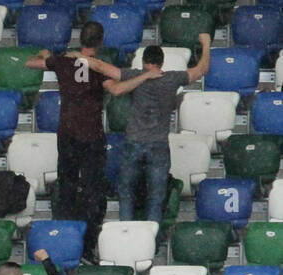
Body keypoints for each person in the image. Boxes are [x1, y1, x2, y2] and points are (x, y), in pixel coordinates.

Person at [25, 23, 116, 260]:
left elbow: (31, 63)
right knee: (92, 190)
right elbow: (114, 84)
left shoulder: (63, 61)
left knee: (66, 187)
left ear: (80, 38)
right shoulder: (100, 67)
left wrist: (47, 56)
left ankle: (63, 236)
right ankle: (87, 244)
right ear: (101, 41)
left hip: (67, 134)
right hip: (92, 135)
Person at [108, 37, 211, 224]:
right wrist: (206, 43)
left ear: (143, 62)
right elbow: (201, 69)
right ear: (161, 63)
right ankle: (151, 240)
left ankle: (126, 238)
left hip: (134, 142)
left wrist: (83, 58)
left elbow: (104, 70)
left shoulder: (134, 75)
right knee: (156, 198)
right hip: (158, 145)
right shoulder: (172, 78)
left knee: (126, 195)